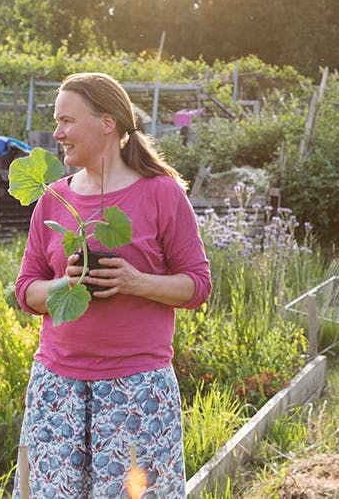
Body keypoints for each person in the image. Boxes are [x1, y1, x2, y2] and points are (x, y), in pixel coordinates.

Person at [13, 72, 212, 498]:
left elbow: (197, 285)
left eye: (67, 121)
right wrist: (64, 284)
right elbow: (26, 290)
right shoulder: (53, 199)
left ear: (107, 123)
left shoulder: (161, 194)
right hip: (56, 388)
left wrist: (134, 281)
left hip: (136, 388)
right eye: (57, 121)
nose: (57, 133)